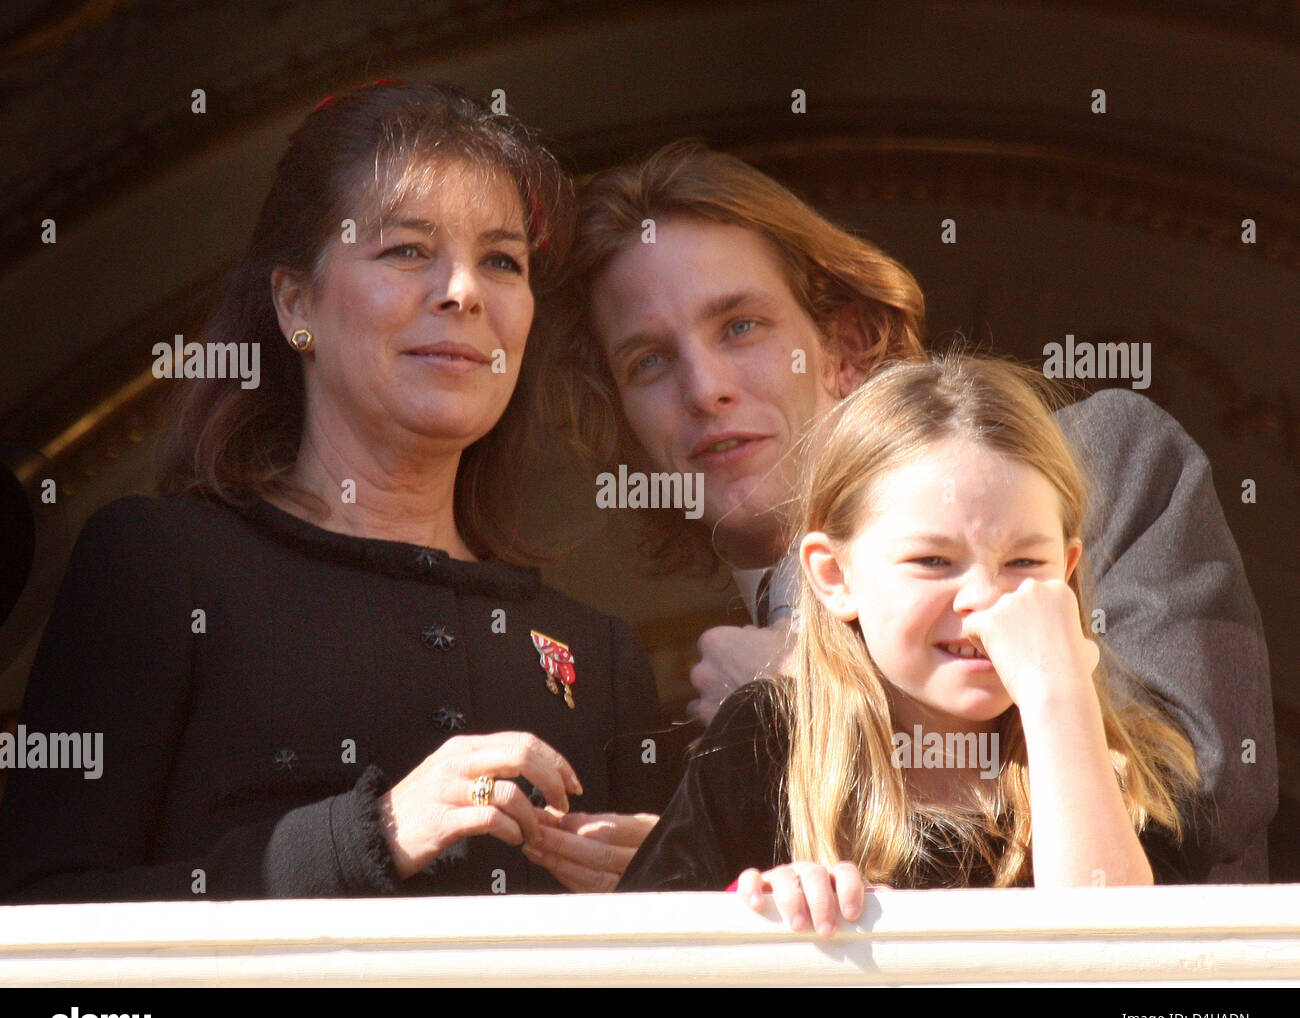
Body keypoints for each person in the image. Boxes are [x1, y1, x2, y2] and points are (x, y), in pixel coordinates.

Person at [0, 81, 663, 903]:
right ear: (295, 304)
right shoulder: (159, 566)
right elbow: (36, 913)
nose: (463, 292)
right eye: (407, 250)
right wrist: (370, 836)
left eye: (502, 260)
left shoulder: (596, 653)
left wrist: (675, 882)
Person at [549, 140, 1275, 883]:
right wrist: (710, 881)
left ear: (846, 345)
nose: (704, 388)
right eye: (648, 361)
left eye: (740, 325)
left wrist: (831, 686)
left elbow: (1201, 787)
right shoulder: (705, 715)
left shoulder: (1092, 454)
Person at [621, 352, 1205, 933]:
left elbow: (1122, 969)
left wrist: (1057, 700)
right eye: (933, 560)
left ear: (1069, 573)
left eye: (1025, 562)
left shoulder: (1135, 777)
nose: (982, 597)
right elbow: (628, 960)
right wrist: (754, 919)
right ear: (835, 576)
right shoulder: (770, 741)